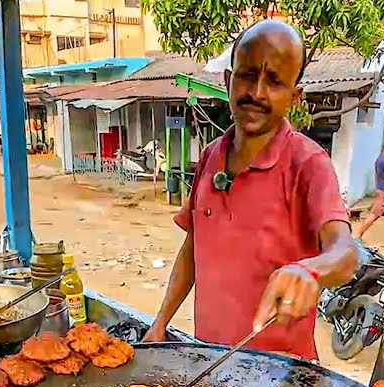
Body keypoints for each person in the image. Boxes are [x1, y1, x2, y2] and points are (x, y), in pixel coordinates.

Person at [143, 19, 358, 360]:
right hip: (211, 362)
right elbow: (193, 248)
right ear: (229, 80)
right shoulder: (211, 155)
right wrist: (160, 322)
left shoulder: (308, 163)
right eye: (247, 75)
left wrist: (309, 270)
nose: (256, 92)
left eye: (274, 82)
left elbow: (346, 252)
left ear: (294, 97)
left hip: (284, 374)